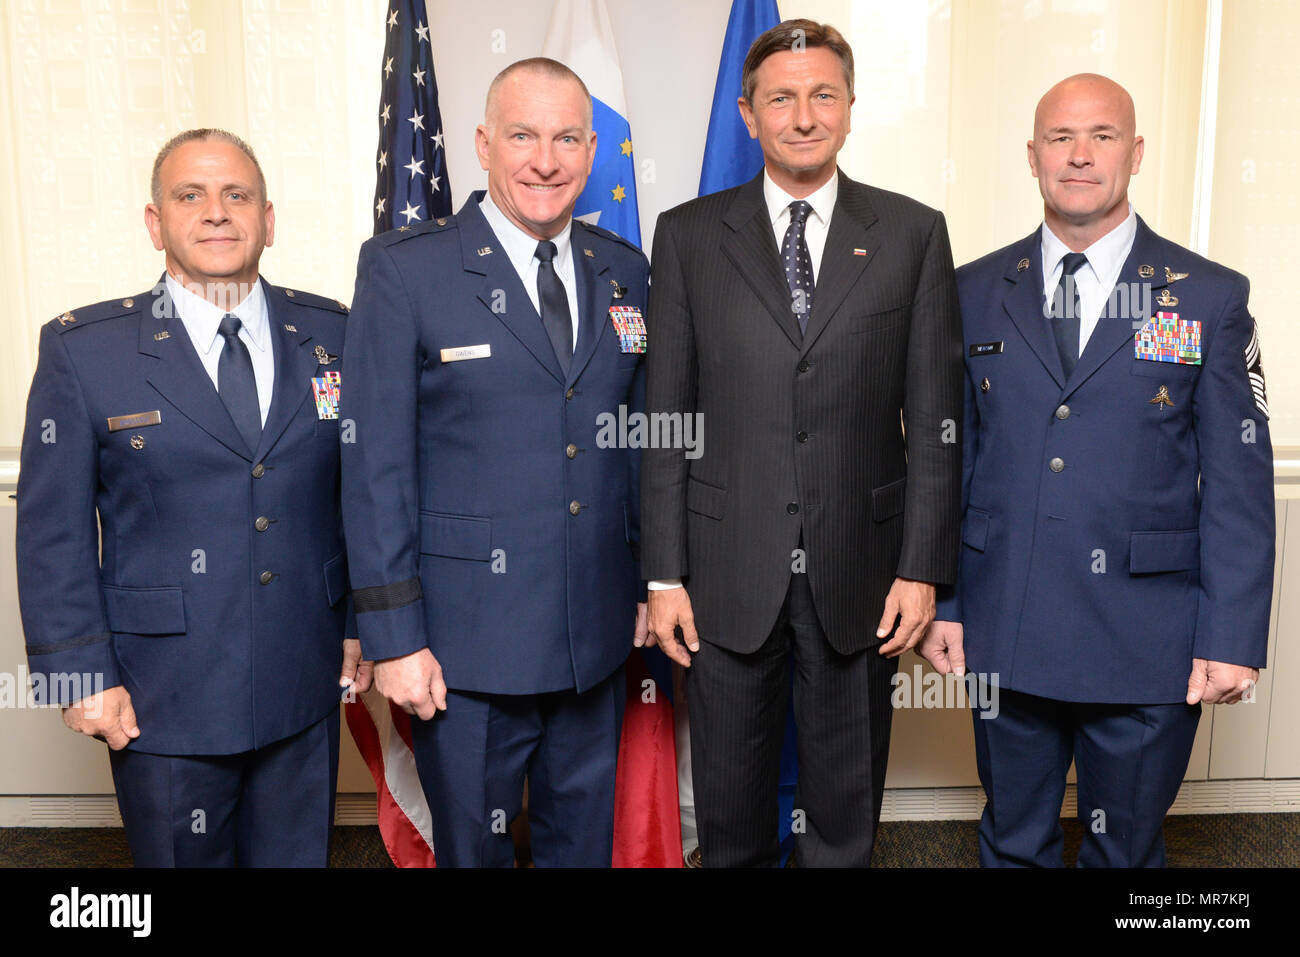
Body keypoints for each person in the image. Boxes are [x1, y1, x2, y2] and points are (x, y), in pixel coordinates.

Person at [921, 74, 1274, 867]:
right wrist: (942, 598)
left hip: (1148, 638)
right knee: (1011, 842)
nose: (1080, 156)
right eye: (1060, 138)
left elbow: (1238, 480)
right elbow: (947, 459)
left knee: (1125, 853)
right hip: (1003, 621)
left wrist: (1232, 636)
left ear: (1136, 152)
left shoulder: (1208, 298)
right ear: (1033, 156)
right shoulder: (972, 290)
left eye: (1103, 136)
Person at [640, 19, 964, 867]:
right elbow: (664, 418)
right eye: (781, 98)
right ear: (748, 114)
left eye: (823, 95)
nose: (804, 115)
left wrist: (922, 567)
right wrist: (665, 572)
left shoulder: (913, 233)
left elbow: (935, 422)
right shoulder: (686, 235)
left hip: (864, 572)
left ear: (851, 108)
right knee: (733, 816)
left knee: (843, 819)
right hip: (722, 574)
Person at [16, 129, 367, 866]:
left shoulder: (333, 333)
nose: (216, 212)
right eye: (191, 195)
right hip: (161, 692)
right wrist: (82, 674)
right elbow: (54, 533)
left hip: (303, 679)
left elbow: (360, 493)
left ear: (268, 219)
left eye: (236, 195)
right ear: (156, 223)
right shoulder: (86, 351)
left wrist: (364, 623)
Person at [341, 57, 649, 867]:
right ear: (483, 143)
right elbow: (373, 464)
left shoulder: (627, 271)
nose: (545, 160)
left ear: (590, 152)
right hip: (462, 647)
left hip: (595, 633)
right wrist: (394, 636)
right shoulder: (406, 268)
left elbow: (639, 438)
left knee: (580, 850)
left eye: (566, 139)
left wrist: (655, 576)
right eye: (523, 136)